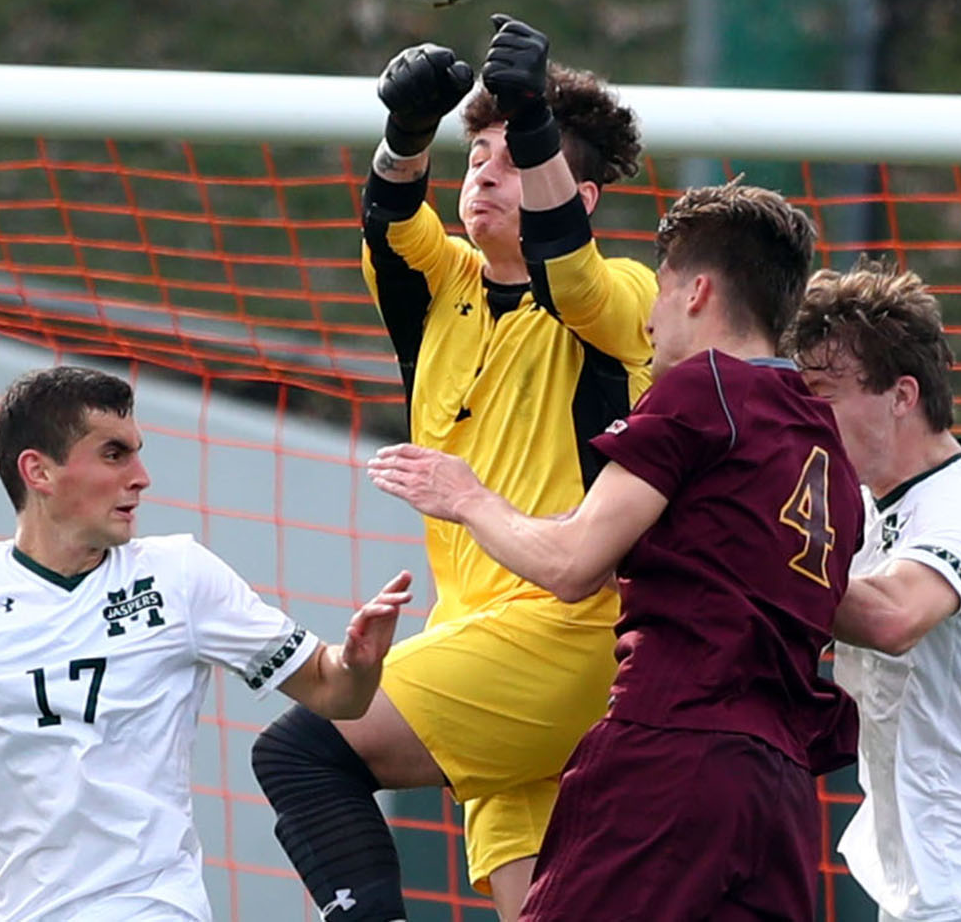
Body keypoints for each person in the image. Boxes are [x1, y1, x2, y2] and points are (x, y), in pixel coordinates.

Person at [0, 365, 413, 922]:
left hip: (157, 904)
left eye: (137, 450)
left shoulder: (180, 574)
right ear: (38, 471)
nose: (142, 476)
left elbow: (336, 693)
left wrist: (359, 661)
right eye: (113, 452)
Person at [368, 180, 861, 922]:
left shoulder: (702, 389)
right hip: (782, 790)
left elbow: (571, 565)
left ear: (695, 292)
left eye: (658, 290)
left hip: (672, 752)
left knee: (305, 748)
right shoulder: (823, 440)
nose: (650, 318)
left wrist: (467, 495)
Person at [251, 15, 654, 921]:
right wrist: (404, 134)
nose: (483, 174)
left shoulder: (625, 293)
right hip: (484, 638)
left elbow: (574, 275)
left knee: (302, 751)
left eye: (511, 162)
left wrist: (537, 125)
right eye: (477, 158)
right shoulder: (444, 285)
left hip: (564, 633)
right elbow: (392, 224)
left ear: (578, 195)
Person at [783, 258, 961, 922]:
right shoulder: (864, 503)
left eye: (822, 392)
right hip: (919, 900)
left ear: (902, 394)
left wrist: (762, 556)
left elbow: (892, 616)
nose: (807, 414)